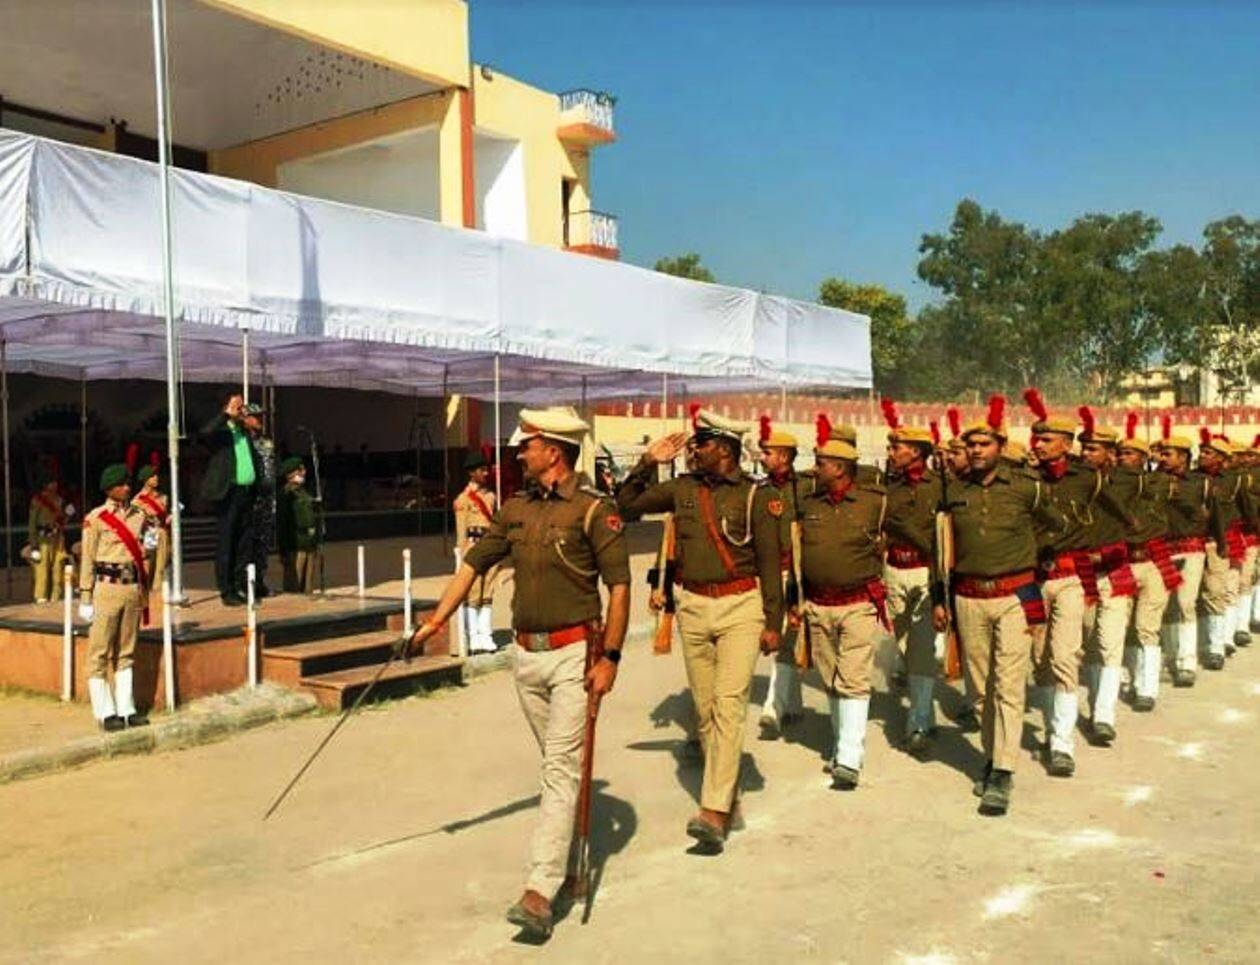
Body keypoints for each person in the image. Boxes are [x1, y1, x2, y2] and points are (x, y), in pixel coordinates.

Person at [407, 407, 629, 939]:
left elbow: (619, 589)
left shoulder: (594, 511)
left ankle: (539, 889)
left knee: (558, 768)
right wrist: (436, 619)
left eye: (527, 445)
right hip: (525, 657)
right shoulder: (514, 509)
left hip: (577, 653)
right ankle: (571, 849)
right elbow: (472, 565)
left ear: (554, 450)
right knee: (560, 765)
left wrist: (611, 657)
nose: (519, 452)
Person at [617, 408, 782, 852]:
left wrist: (774, 622)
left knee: (729, 706)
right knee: (706, 709)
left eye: (701, 444)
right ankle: (727, 794)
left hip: (741, 606)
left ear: (725, 449)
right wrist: (647, 463)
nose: (692, 451)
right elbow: (626, 506)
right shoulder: (682, 489)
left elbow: (770, 562)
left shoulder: (756, 497)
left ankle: (712, 809)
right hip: (692, 605)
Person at [946, 395, 1059, 816]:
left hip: (1015, 595)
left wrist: (1037, 560)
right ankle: (993, 755)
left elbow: (1054, 526)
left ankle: (1003, 772)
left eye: (984, 444)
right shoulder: (955, 492)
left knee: (1009, 684)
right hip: (969, 596)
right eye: (971, 445)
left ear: (1000, 447)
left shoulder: (1026, 488)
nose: (976, 451)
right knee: (979, 689)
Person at [798, 416, 893, 788]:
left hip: (858, 603)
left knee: (853, 678)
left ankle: (850, 757)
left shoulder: (875, 503)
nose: (815, 469)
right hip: (818, 604)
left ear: (838, 469)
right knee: (830, 677)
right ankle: (841, 745)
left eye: (821, 463)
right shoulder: (809, 503)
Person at [1024, 390, 1094, 778]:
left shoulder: (1088, 480)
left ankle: (1062, 743)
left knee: (1065, 657)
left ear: (1067, 444)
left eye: (1048, 439)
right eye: (1037, 438)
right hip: (1033, 579)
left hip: (1069, 578)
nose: (1039, 444)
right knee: (1040, 660)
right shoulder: (1025, 478)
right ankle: (1053, 729)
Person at [879, 401, 945, 757]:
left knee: (920, 647)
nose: (891, 453)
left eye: (896, 448)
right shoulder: (889, 485)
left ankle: (919, 721)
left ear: (917, 452)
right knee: (903, 640)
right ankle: (925, 707)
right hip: (894, 570)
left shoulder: (940, 486)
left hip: (925, 570)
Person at [1077, 409, 1137, 746]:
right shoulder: (1071, 483)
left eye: (1093, 449)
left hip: (1113, 570)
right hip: (1080, 573)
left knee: (1109, 643)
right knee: (1086, 643)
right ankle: (1094, 700)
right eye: (1083, 448)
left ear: (1110, 454)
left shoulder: (1128, 485)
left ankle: (1103, 715)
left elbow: (1143, 525)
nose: (1086, 454)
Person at [79, 463, 152, 731]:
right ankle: (105, 711)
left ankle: (127, 708)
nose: (127, 487)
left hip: (132, 587)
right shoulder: (96, 518)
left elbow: (146, 549)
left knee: (126, 651)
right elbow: (87, 558)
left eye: (128, 483)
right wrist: (85, 596)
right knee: (99, 651)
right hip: (106, 588)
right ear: (110, 489)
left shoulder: (139, 515)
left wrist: (150, 548)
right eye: (122, 484)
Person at [1116, 420, 1178, 712]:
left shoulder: (1161, 483)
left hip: (1153, 560)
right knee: (1121, 627)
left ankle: (1147, 687)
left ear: (1142, 458)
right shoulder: (1109, 484)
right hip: (1122, 560)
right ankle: (1127, 678)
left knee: (1147, 628)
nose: (1122, 458)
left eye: (1129, 454)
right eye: (1120, 454)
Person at [755, 417, 808, 740]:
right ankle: (792, 704)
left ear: (785, 457)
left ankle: (773, 707)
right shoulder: (758, 490)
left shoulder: (806, 487)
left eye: (768, 453)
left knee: (788, 635)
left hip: (798, 573)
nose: (763, 458)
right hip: (769, 573)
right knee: (781, 635)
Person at [1157, 422, 1210, 685]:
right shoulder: (1153, 481)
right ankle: (1169, 658)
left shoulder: (1200, 482)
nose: (1162, 458)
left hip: (1191, 548)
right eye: (1161, 454)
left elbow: (1209, 515)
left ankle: (1187, 661)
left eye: (1168, 454)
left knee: (1186, 603)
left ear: (1184, 457)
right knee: (1166, 606)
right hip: (1162, 549)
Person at [198, 393, 261, 606]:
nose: (240, 410)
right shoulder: (222, 433)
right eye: (236, 406)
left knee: (244, 542)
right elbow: (204, 434)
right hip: (229, 493)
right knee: (227, 541)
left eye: (241, 406)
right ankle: (226, 589)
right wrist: (226, 415)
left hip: (246, 492)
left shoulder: (244, 432)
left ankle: (240, 584)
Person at [1199, 431, 1244, 668]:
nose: (1202, 456)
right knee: (1193, 597)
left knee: (1217, 591)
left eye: (1208, 453)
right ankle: (1199, 643)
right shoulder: (1192, 478)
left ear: (1221, 459)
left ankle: (1216, 645)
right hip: (1194, 542)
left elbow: (1246, 510)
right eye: (1202, 452)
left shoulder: (1234, 480)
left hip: (1220, 541)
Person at [453, 451, 501, 653]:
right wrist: (461, 553)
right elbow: (461, 529)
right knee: (473, 591)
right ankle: (473, 635)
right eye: (482, 470)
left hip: (488, 542)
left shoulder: (491, 496)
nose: (486, 473)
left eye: (486, 469)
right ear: (472, 473)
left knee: (488, 590)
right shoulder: (463, 499)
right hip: (472, 544)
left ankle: (486, 634)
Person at [244, 403, 276, 598]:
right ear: (246, 419)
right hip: (251, 499)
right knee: (248, 543)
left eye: (261, 416)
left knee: (263, 543)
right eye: (256, 416)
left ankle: (260, 581)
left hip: (266, 500)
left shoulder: (266, 441)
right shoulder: (244, 442)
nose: (260, 420)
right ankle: (247, 582)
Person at [277, 457, 320, 595]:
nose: (304, 472)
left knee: (308, 588)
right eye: (300, 470)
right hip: (296, 545)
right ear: (290, 473)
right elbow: (282, 523)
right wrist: (283, 548)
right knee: (294, 587)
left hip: (309, 543)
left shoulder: (303, 492)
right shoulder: (286, 494)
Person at [27, 473, 72, 604]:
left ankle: (56, 598)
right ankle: (41, 598)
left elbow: (63, 521)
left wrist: (68, 514)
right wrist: (34, 545)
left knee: (58, 571)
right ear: (45, 485)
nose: (54, 485)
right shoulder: (38, 500)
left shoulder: (60, 500)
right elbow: (32, 524)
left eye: (55, 482)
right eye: (51, 482)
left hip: (58, 539)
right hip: (43, 541)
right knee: (42, 571)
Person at [131, 453, 171, 601]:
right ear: (146, 480)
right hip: (149, 533)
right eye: (153, 476)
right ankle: (145, 592)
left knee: (163, 562)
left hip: (163, 532)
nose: (156, 478)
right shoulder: (138, 500)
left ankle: (158, 591)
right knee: (149, 563)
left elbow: (164, 514)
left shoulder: (163, 497)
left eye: (156, 476)